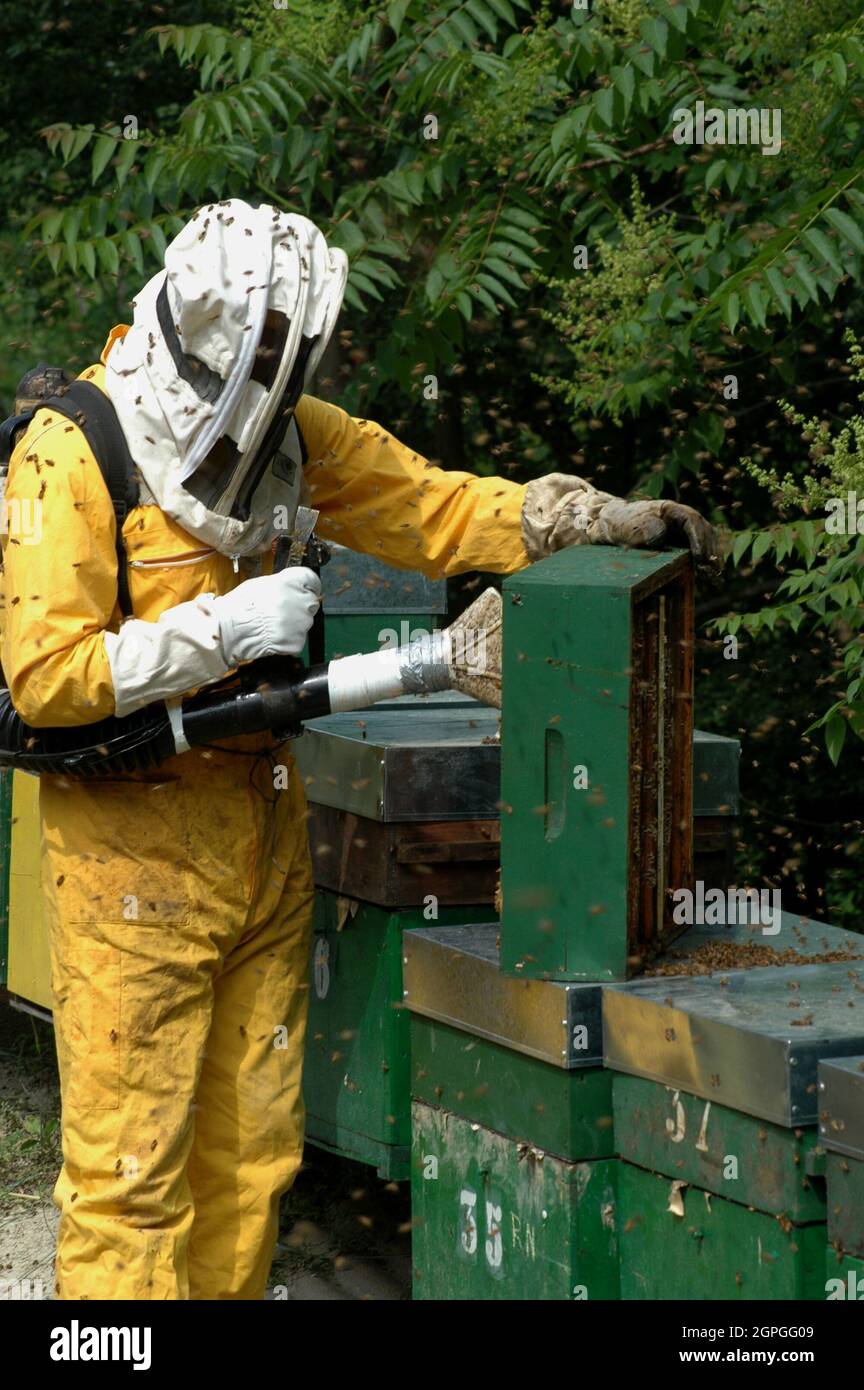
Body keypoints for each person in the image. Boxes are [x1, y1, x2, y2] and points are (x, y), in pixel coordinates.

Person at [0, 199, 717, 1300]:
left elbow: (429, 505)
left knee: (253, 1156)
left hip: (263, 841)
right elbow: (44, 682)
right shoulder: (73, 454)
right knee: (132, 1178)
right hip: (125, 868)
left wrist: (578, 518)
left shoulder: (294, 438)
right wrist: (219, 633)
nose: (290, 396)